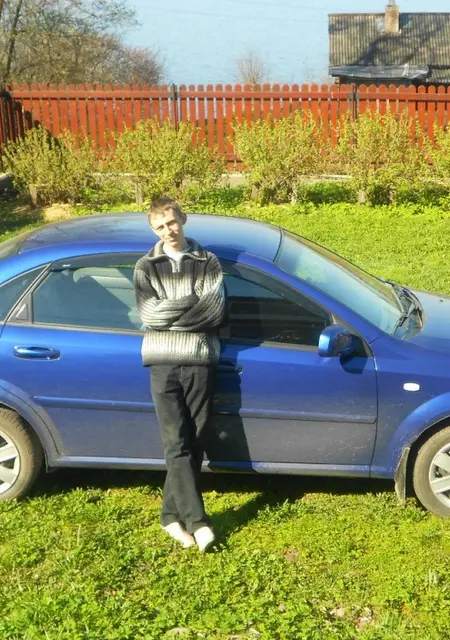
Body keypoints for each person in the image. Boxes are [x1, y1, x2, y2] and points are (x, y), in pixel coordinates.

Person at [133, 197, 226, 551]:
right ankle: (198, 523)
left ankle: (170, 517)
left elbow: (213, 311)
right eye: (160, 227)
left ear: (183, 219)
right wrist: (190, 301)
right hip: (162, 364)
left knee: (195, 439)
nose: (168, 231)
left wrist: (169, 313)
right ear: (153, 230)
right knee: (176, 441)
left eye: (171, 222)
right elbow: (149, 315)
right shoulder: (146, 266)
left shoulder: (207, 262)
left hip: (199, 359)